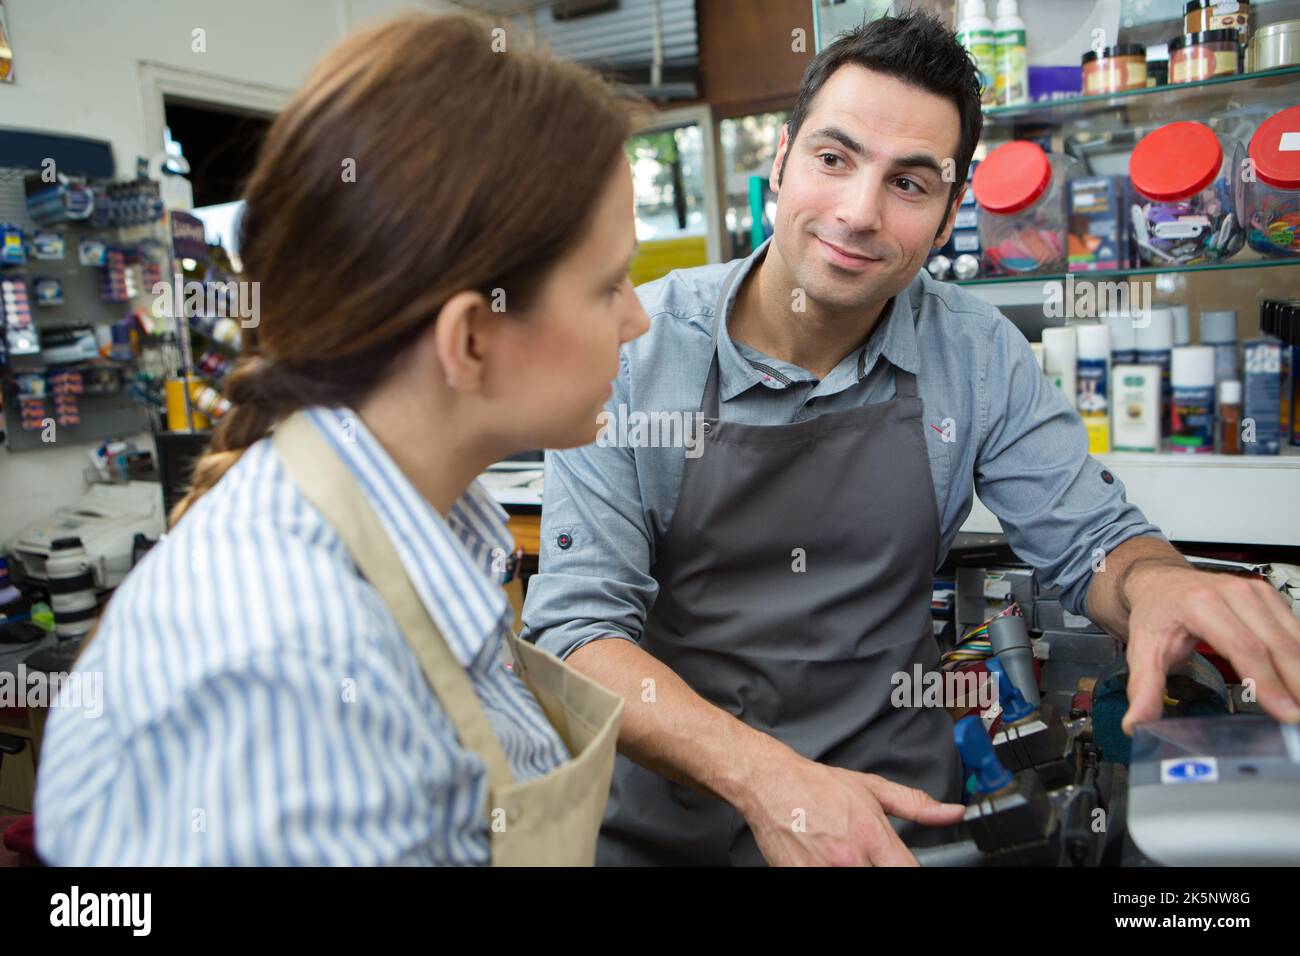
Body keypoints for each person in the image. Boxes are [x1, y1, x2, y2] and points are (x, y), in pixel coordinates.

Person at [522, 12, 1300, 866]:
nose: (859, 213)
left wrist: (1155, 585)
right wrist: (766, 778)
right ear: (779, 161)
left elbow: (1094, 545)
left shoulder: (973, 352)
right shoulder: (637, 346)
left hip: (897, 829)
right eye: (834, 158)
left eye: (910, 183)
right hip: (670, 833)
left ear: (948, 212)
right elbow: (577, 635)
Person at [35, 12, 650, 866]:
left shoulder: (427, 528)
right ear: (470, 338)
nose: (639, 318)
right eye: (610, 283)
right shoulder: (294, 682)